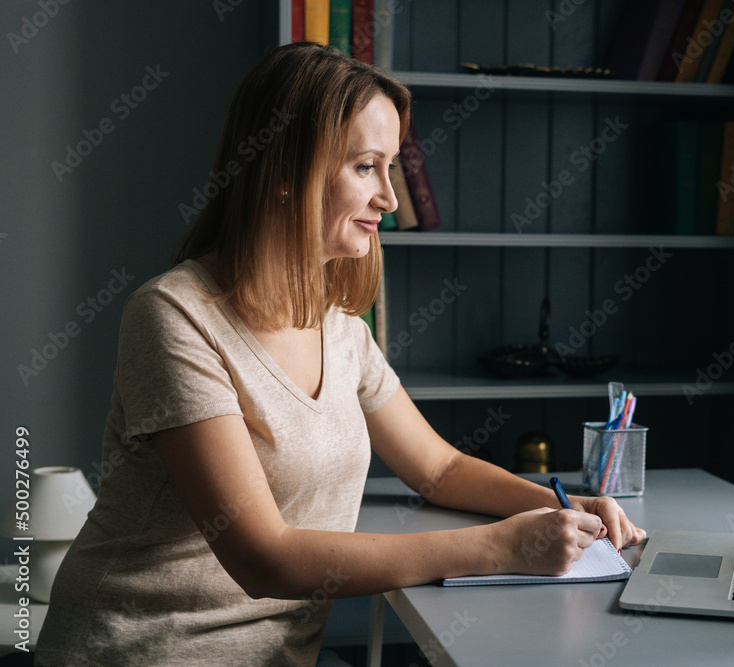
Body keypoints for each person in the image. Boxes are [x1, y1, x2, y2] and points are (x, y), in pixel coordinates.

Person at [35, 43, 645, 666]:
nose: (389, 198)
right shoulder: (174, 316)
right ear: (279, 170)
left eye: (391, 168)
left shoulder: (339, 324)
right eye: (365, 166)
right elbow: (262, 558)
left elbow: (437, 468)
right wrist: (501, 548)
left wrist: (562, 507)